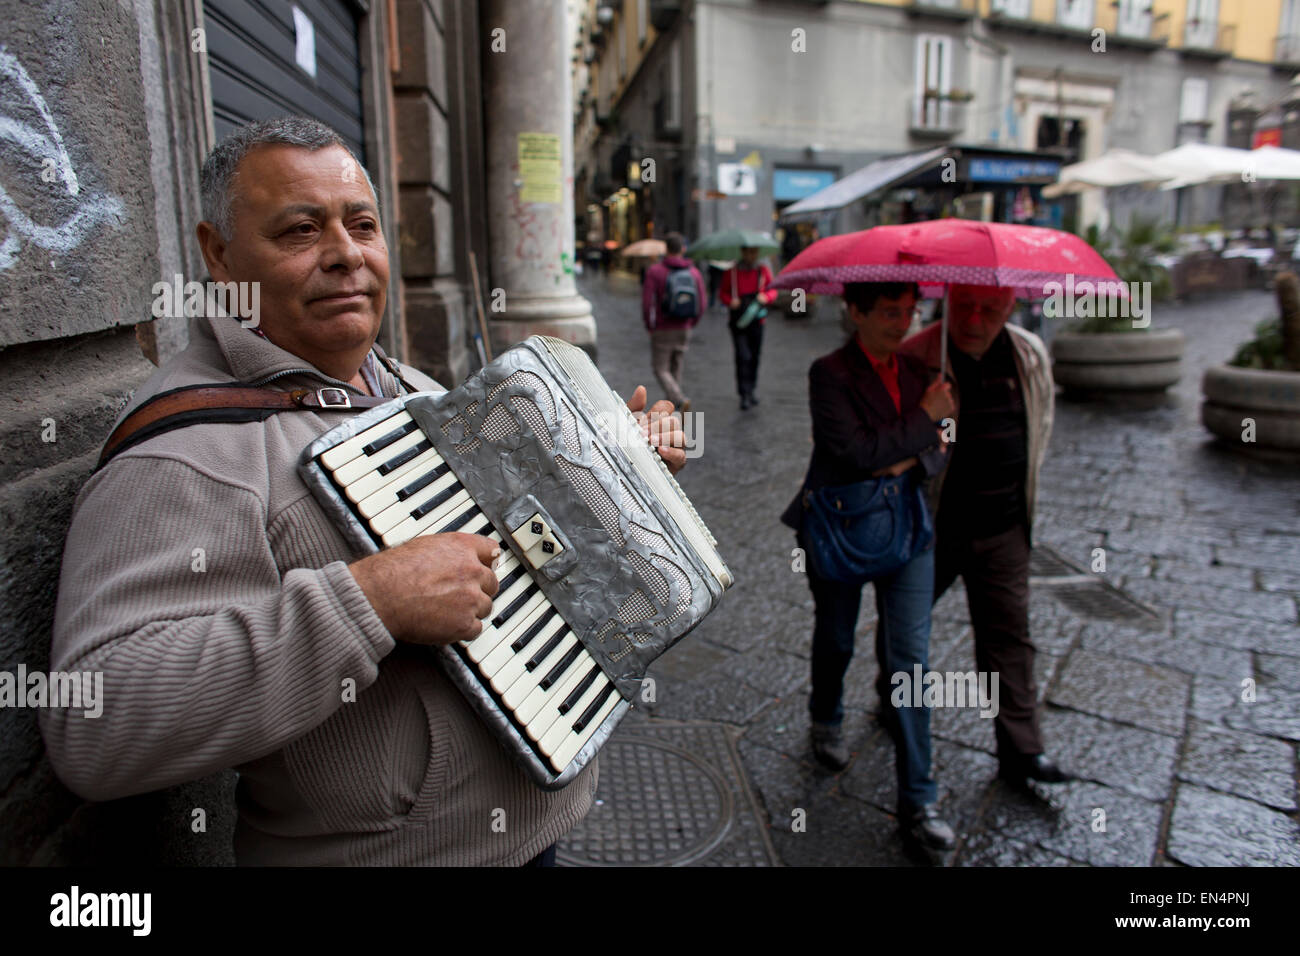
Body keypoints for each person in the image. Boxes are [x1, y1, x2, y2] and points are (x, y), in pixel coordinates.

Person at [39, 117, 687, 867]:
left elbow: (522, 555)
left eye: (362, 224)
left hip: (541, 825)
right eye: (300, 230)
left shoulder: (413, 388)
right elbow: (91, 725)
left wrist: (612, 474)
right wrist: (368, 601)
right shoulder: (182, 453)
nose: (344, 254)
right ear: (219, 254)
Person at [780, 281, 957, 851]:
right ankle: (825, 717)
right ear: (855, 312)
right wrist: (919, 425)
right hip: (841, 527)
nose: (902, 322)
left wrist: (915, 439)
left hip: (908, 530)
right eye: (888, 312)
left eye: (909, 311)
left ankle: (920, 799)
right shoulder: (828, 373)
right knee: (836, 638)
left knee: (911, 658)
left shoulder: (919, 372)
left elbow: (941, 448)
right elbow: (851, 453)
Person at [900, 283, 1073, 791]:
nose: (976, 319)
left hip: (1004, 524)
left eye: (990, 308)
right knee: (906, 629)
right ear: (948, 302)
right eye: (966, 306)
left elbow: (1040, 424)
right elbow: (902, 439)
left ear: (1011, 306)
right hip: (935, 525)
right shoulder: (919, 353)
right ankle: (896, 700)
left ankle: (1023, 750)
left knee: (1009, 636)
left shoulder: (1029, 352)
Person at [641, 232, 705, 412]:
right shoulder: (694, 272)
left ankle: (678, 399)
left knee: (660, 368)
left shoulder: (655, 271)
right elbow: (702, 303)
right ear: (683, 249)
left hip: (662, 327)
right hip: (684, 327)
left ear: (666, 249)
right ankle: (674, 408)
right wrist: (692, 323)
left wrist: (649, 325)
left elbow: (647, 303)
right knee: (676, 366)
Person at [718, 245, 777, 410]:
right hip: (738, 322)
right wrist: (731, 301)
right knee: (743, 356)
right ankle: (743, 393)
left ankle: (751, 389)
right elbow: (722, 293)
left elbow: (773, 291)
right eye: (748, 252)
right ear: (743, 252)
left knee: (755, 356)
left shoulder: (762, 271)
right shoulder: (732, 273)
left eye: (754, 252)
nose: (751, 255)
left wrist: (767, 297)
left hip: (757, 321)